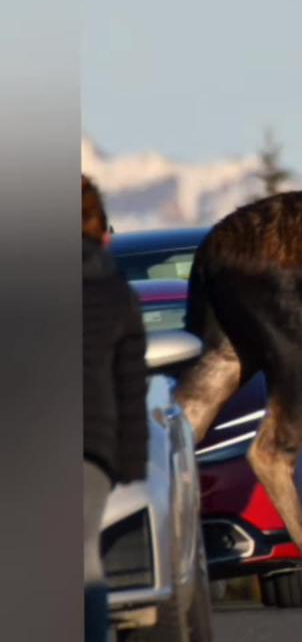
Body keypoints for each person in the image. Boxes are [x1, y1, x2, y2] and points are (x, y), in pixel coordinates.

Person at [82, 175, 150, 642]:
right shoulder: (115, 289)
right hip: (91, 446)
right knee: (82, 557)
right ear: (99, 230)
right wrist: (131, 462)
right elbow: (131, 383)